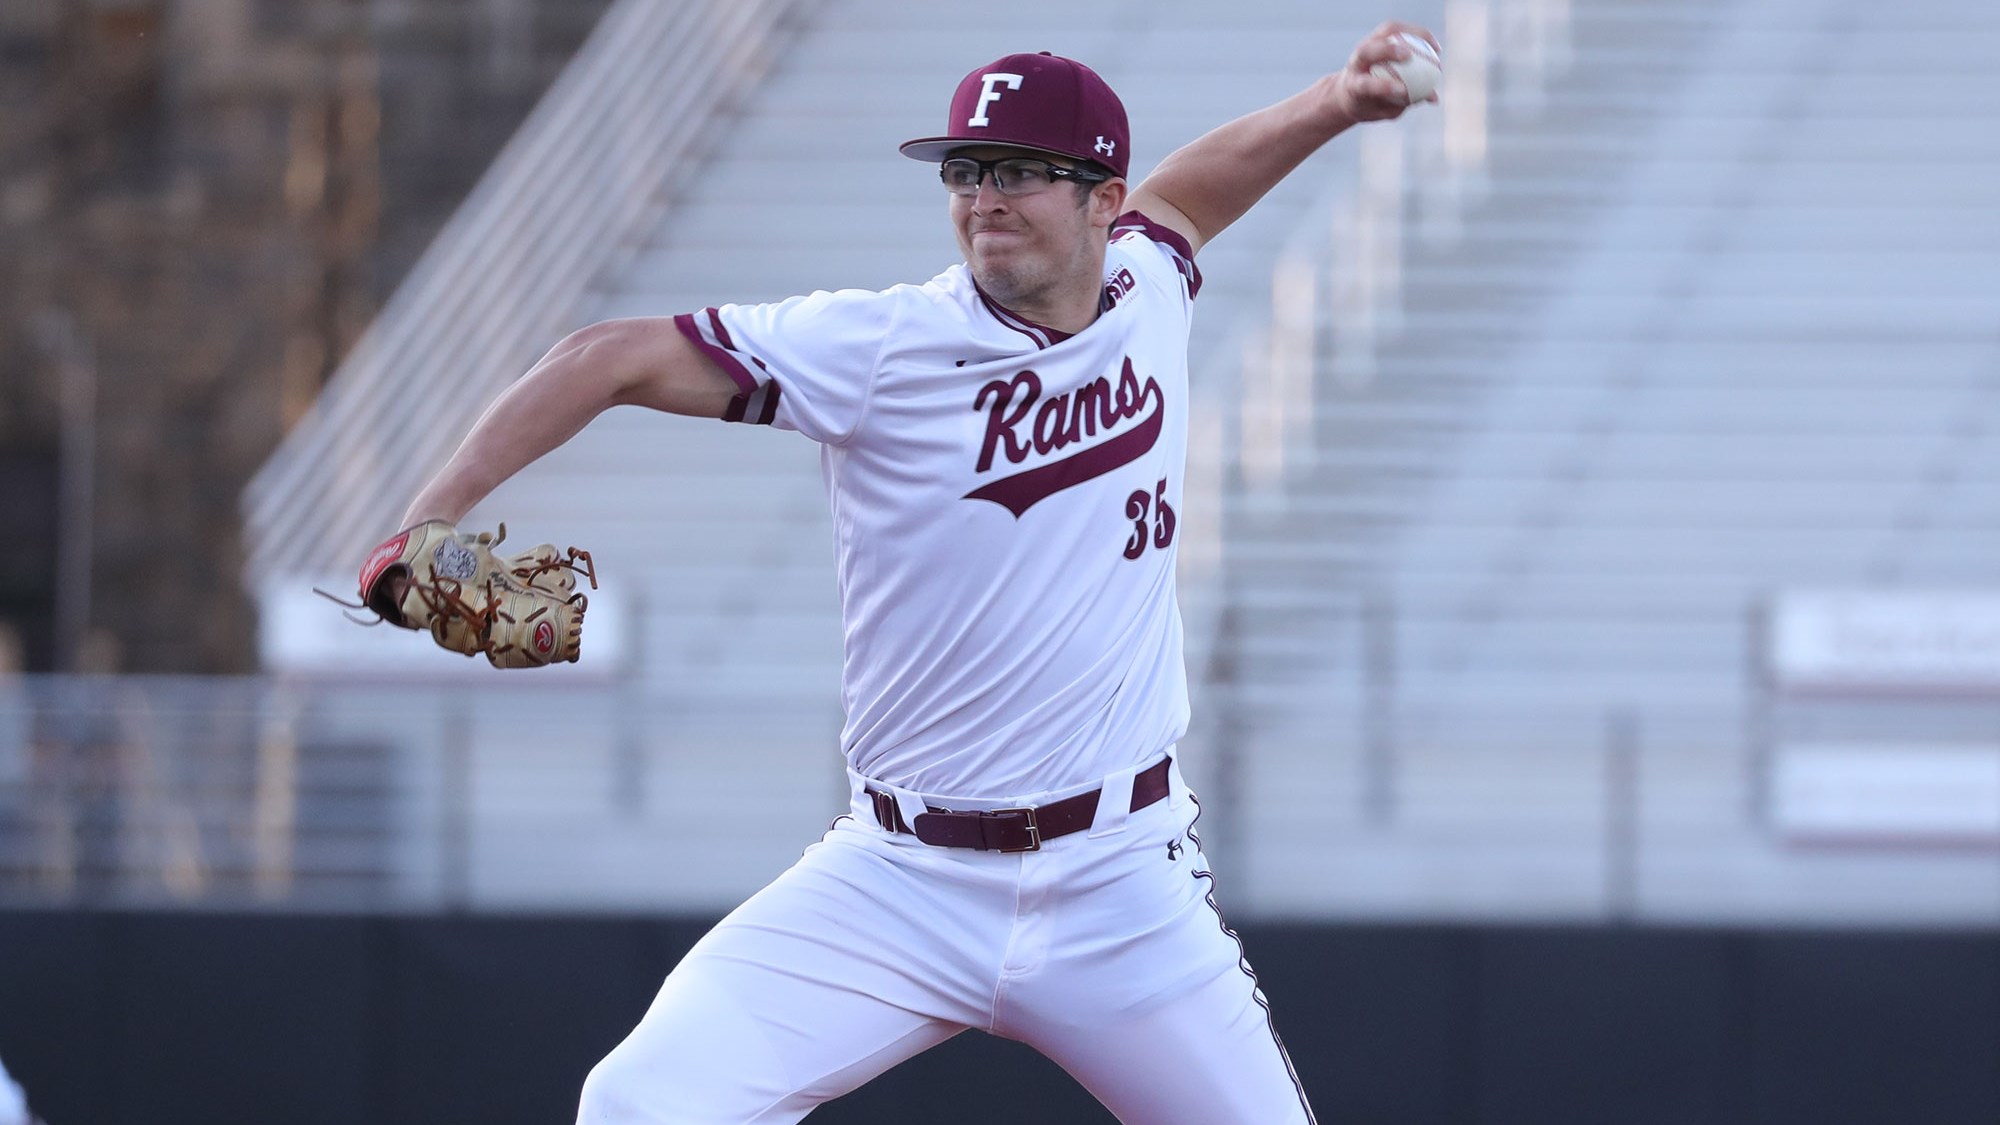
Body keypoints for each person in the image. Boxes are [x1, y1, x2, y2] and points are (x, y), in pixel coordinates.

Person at [381, 22, 1436, 1123]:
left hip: (1122, 881)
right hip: (899, 878)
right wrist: (424, 524)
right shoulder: (881, 346)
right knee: (640, 1103)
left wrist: (1331, 103)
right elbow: (602, 358)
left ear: (1102, 203)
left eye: (1020, 172)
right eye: (966, 172)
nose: (984, 198)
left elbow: (1189, 195)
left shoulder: (1146, 287)